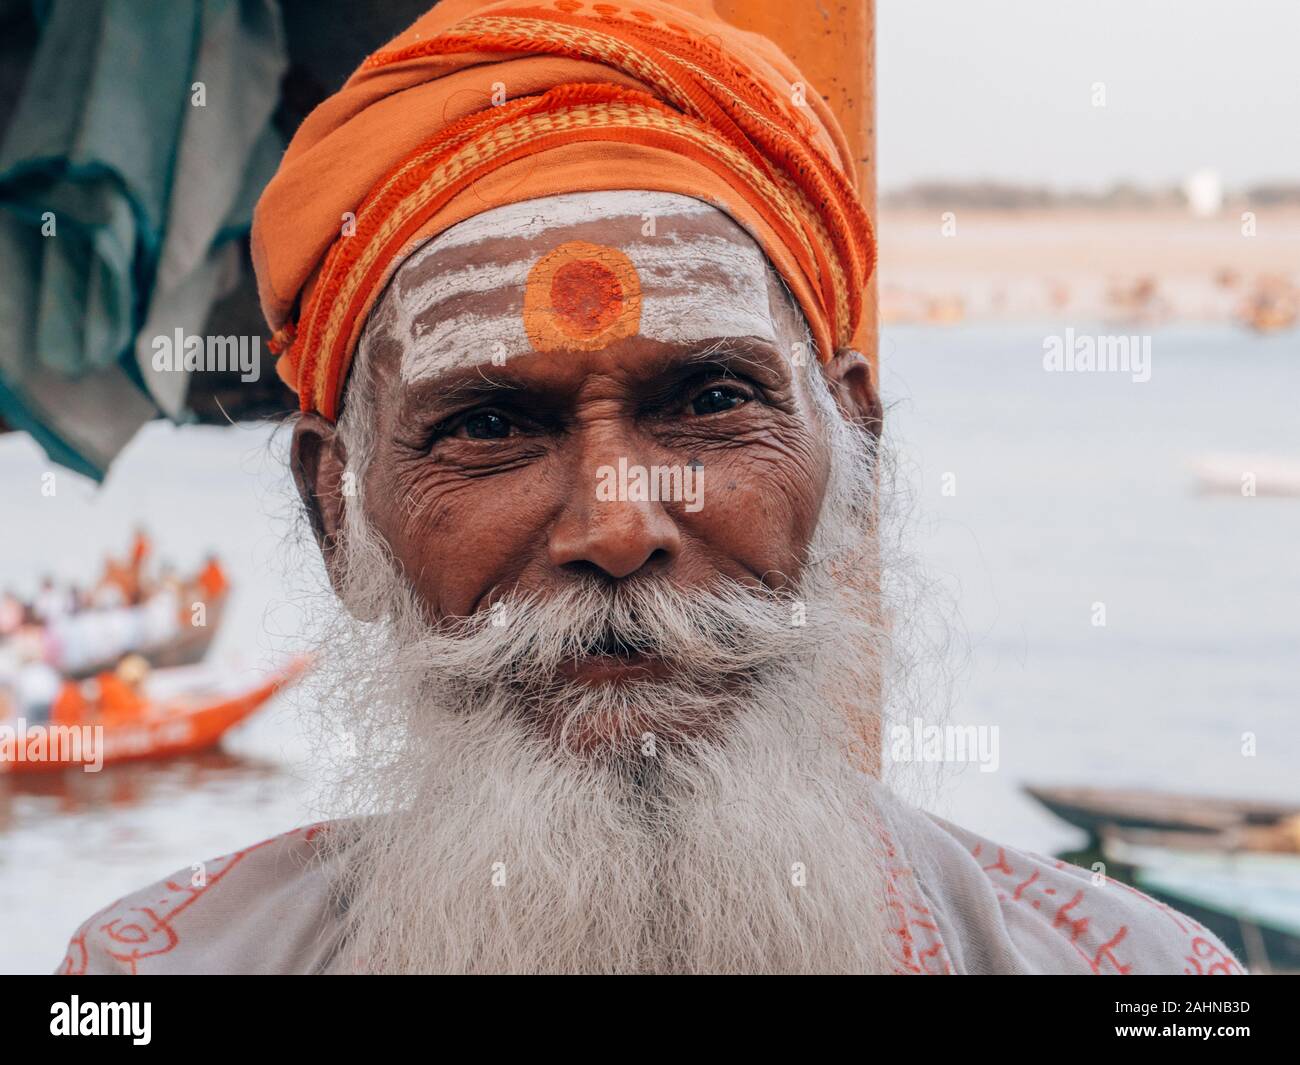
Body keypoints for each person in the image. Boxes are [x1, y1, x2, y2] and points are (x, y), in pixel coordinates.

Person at [59, 0, 1243, 976]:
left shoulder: (1138, 975)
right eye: (486, 424)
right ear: (337, 512)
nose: (617, 527)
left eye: (712, 401)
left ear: (857, 452)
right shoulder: (146, 975)